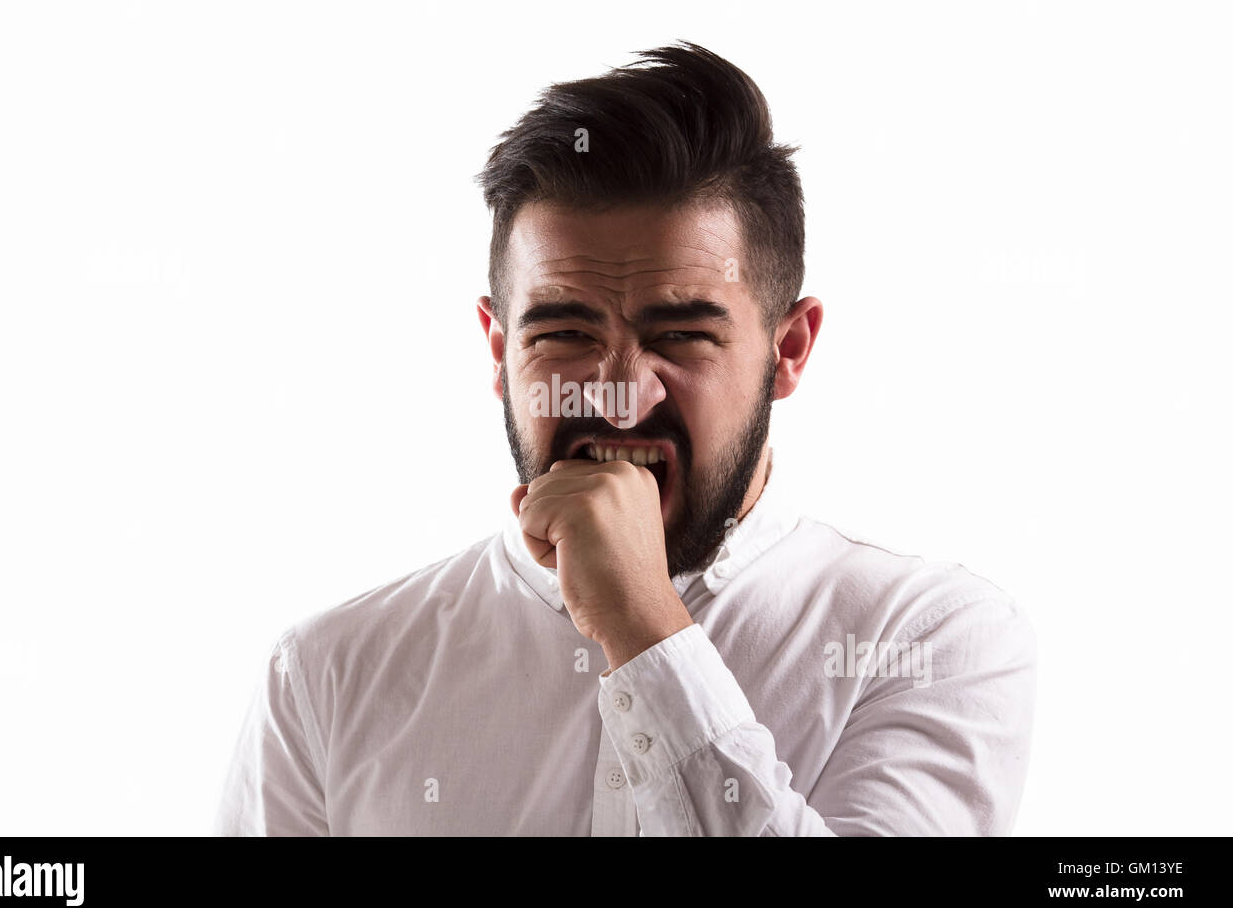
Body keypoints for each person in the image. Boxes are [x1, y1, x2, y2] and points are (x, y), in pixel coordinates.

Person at [213, 41, 1036, 836]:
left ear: (788, 350)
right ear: (498, 351)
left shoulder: (931, 640)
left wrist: (642, 621)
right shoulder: (324, 677)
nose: (615, 394)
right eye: (563, 331)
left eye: (681, 335)